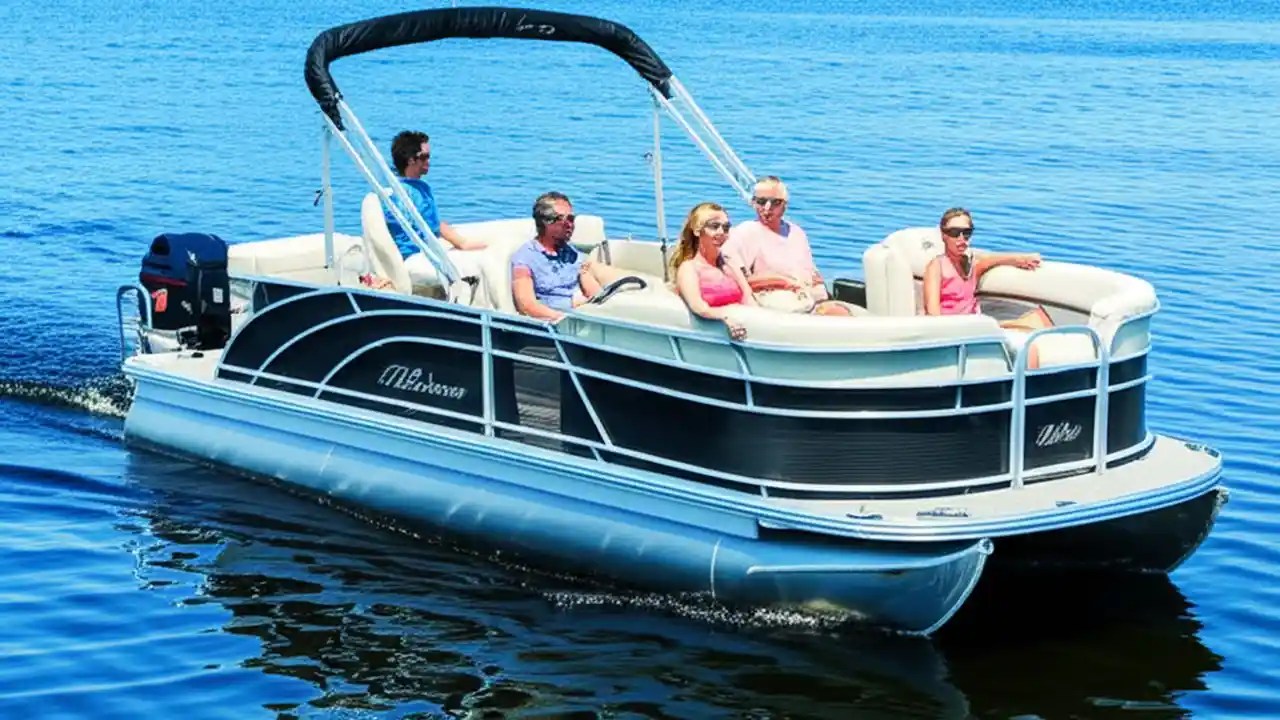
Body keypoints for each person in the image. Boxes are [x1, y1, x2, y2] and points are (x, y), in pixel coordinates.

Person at [922, 207, 1053, 367]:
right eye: (955, 233)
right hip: (954, 333)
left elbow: (991, 259)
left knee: (1030, 340)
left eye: (967, 233)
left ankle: (1024, 389)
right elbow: (933, 314)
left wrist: (1019, 259)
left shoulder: (971, 265)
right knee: (1023, 338)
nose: (961, 238)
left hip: (977, 329)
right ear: (944, 235)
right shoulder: (936, 267)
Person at [722, 176, 852, 316]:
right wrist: (781, 281)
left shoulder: (796, 233)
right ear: (753, 202)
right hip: (775, 303)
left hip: (807, 299)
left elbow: (810, 271)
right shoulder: (746, 233)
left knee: (841, 313)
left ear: (785, 204)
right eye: (761, 201)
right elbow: (737, 280)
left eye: (775, 203)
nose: (767, 208)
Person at [385, 131, 486, 286]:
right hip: (414, 256)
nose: (429, 161)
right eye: (424, 157)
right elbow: (431, 226)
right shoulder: (412, 192)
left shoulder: (398, 190)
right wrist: (463, 243)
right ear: (411, 160)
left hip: (413, 252)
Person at [510, 191, 624, 322]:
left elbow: (593, 289)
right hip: (560, 324)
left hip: (588, 314)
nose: (571, 225)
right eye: (567, 220)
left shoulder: (571, 253)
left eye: (572, 219)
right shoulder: (525, 260)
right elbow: (527, 306)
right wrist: (566, 320)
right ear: (547, 222)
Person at [669, 202, 756, 340]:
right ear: (697, 230)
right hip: (716, 330)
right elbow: (698, 306)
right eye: (714, 227)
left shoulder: (729, 264)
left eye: (726, 227)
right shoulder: (689, 268)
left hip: (743, 322)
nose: (721, 232)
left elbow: (748, 297)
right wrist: (724, 317)